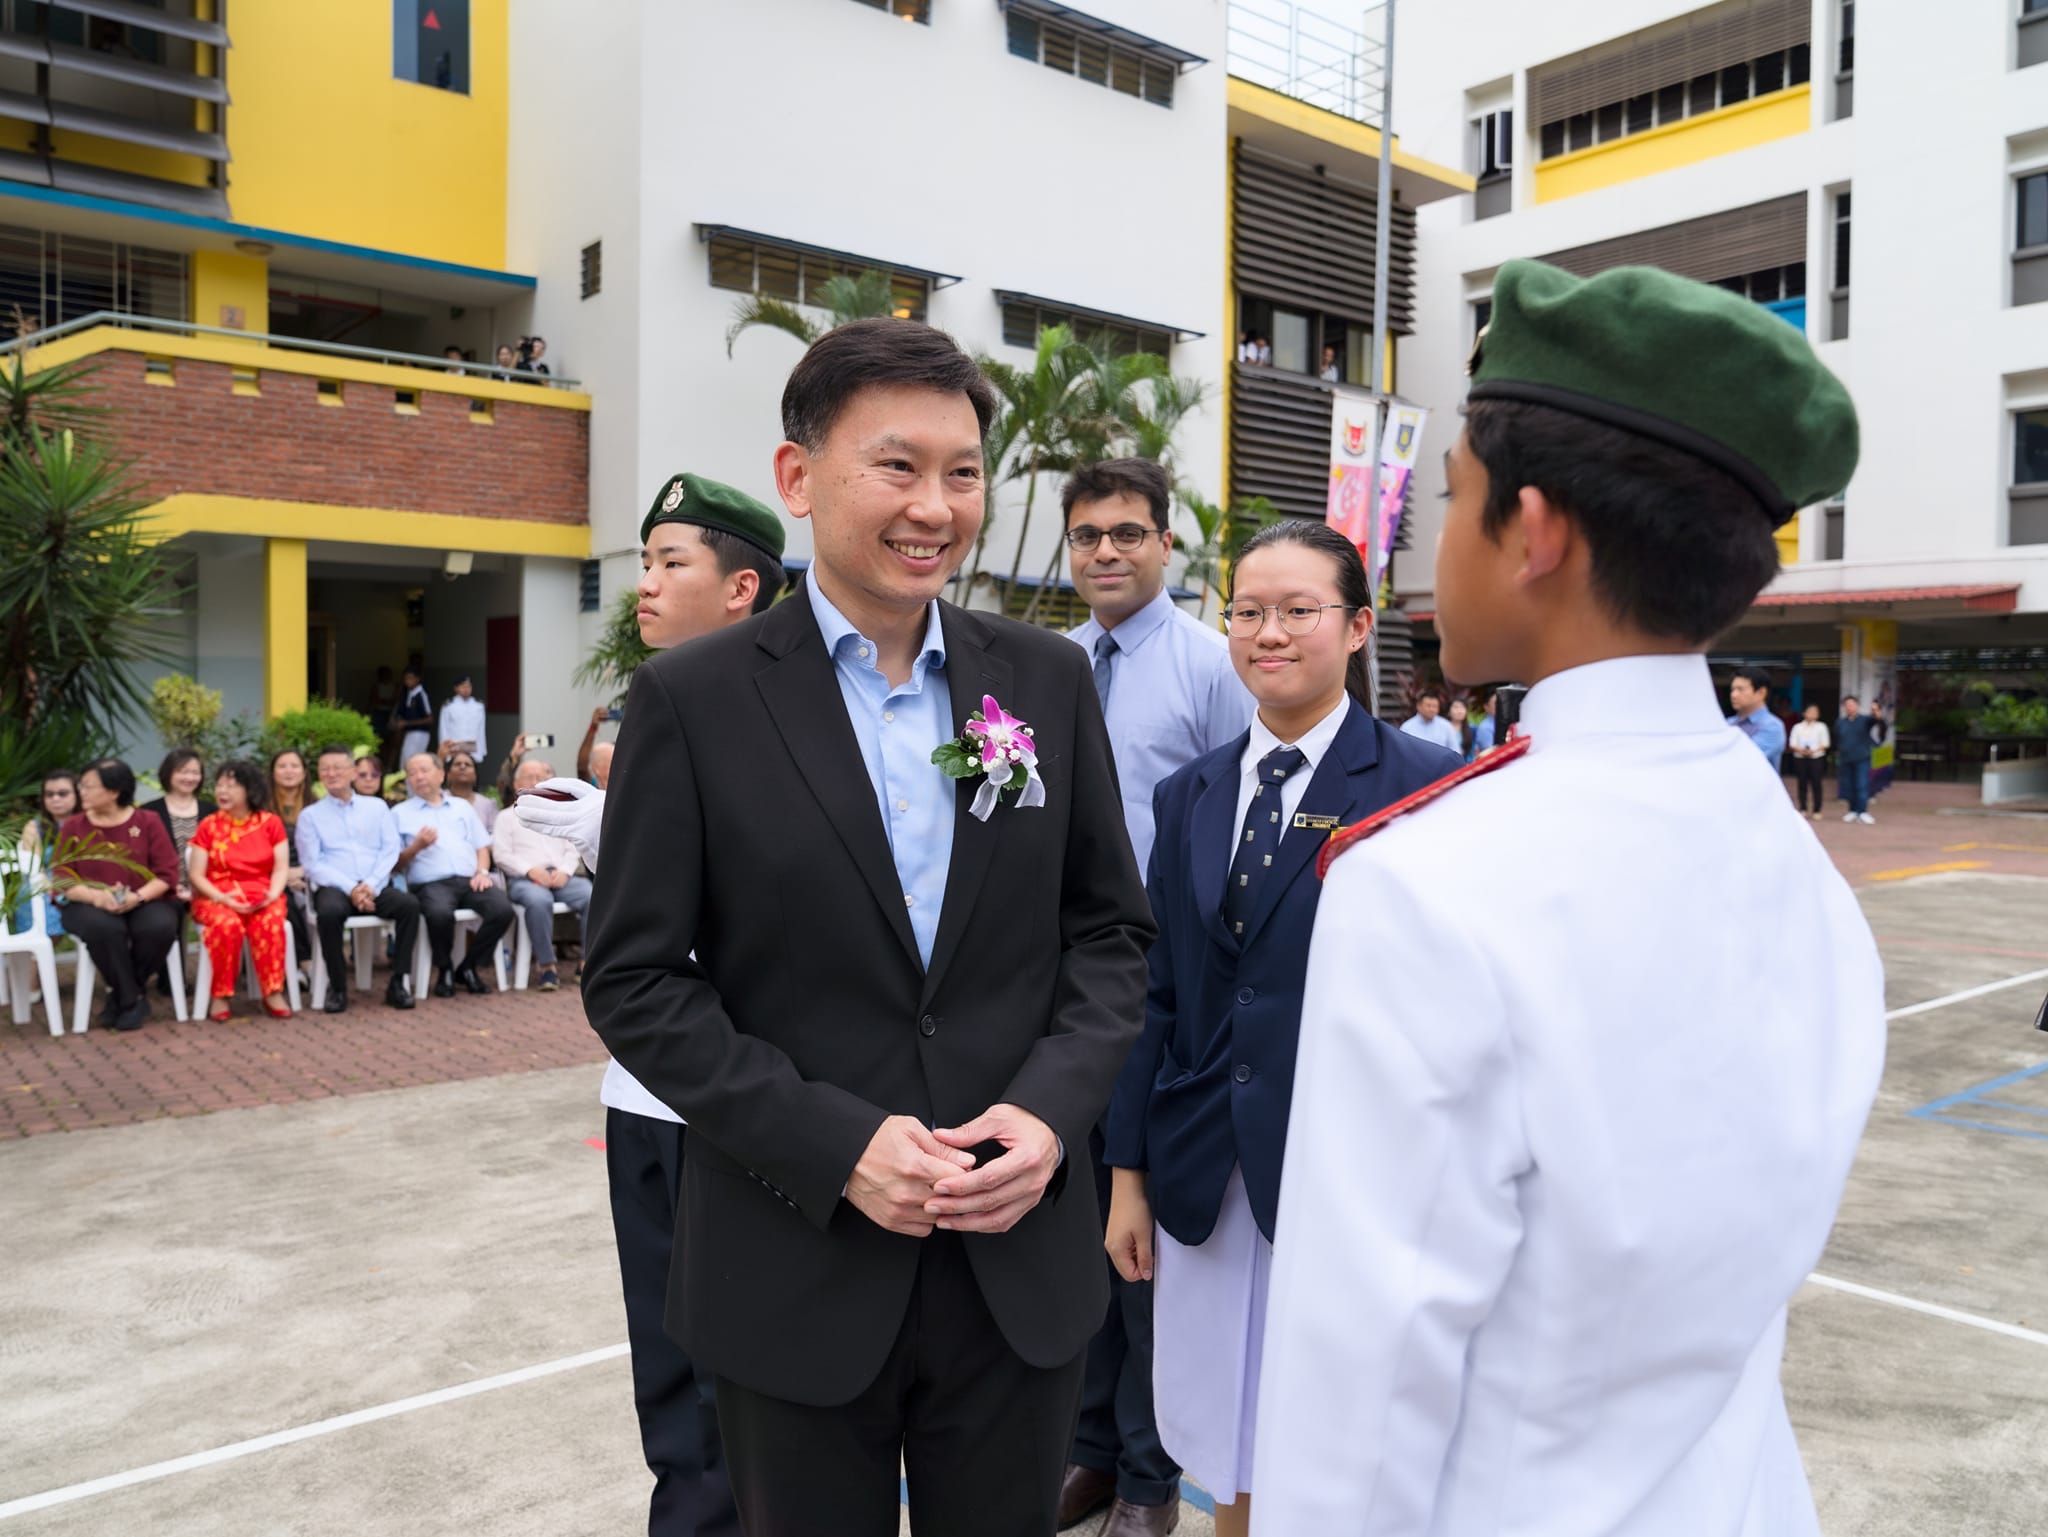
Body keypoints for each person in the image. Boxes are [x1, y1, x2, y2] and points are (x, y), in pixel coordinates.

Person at [1253, 260, 1884, 1535]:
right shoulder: (1790, 859)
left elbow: (1359, 1404)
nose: (1437, 544)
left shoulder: (1425, 887)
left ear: (1533, 531)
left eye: (1453, 500)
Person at [579, 318, 1153, 1537]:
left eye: (961, 472)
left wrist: (1049, 1116)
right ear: (799, 480)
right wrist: (835, 1142)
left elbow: (1108, 936)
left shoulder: (1042, 680)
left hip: (1016, 1260)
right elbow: (635, 979)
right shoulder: (692, 699)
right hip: (794, 1257)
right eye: (896, 466)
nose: (934, 506)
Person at [1103, 522, 1458, 1537]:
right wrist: (1126, 1173)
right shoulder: (1191, 793)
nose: (1268, 632)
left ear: (1354, 627)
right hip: (1205, 1168)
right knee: (1228, 1430)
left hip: (1350, 1174)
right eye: (1248, 611)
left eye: (1297, 610)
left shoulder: (1420, 784)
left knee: (1344, 1427)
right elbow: (1156, 990)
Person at [517, 470, 791, 1537]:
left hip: (741, 1088)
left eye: (672, 562)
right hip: (642, 1087)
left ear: (740, 588)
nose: (646, 585)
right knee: (666, 1354)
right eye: (646, 562)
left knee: (748, 1359)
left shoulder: (780, 718)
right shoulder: (650, 709)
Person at [1059, 456, 1254, 1536]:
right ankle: (1088, 1450)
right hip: (1056, 992)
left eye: (1127, 533)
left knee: (1141, 1250)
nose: (1105, 553)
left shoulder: (1207, 667)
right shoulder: (1049, 667)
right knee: (1070, 1230)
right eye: (1087, 535)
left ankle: (1147, 1476)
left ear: (1164, 545)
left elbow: (1238, 825)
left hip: (1156, 988)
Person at [53, 759, 180, 1031]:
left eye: (88, 787)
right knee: (104, 928)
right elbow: (62, 876)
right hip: (87, 902)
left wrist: (138, 897)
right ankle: (132, 999)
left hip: (142, 898)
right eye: (81, 786)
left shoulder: (147, 821)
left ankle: (121, 997)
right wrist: (95, 897)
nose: (81, 792)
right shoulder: (75, 826)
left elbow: (167, 873)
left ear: (114, 792)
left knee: (161, 926)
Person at [296, 744, 420, 1013]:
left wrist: (371, 886)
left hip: (374, 884)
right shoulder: (310, 815)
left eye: (338, 768)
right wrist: (352, 888)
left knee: (409, 906)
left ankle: (398, 982)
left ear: (352, 771)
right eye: (325, 769)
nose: (331, 774)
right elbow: (312, 864)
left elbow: (389, 851)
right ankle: (338, 987)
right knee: (328, 913)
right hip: (335, 887)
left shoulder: (376, 807)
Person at [392, 751, 513, 997]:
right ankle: (444, 967)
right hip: (430, 884)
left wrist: (482, 871)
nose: (418, 777)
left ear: (440, 775)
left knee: (502, 910)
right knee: (439, 914)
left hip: (470, 879)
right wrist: (416, 847)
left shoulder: (461, 807)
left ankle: (468, 967)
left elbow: (482, 846)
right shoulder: (399, 813)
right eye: (412, 773)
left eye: (424, 770)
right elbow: (394, 864)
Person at [187, 760, 293, 1022]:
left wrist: (272, 894)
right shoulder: (208, 826)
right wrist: (222, 898)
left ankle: (272, 991)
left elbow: (280, 868)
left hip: (262, 893)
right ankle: (221, 994)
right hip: (217, 896)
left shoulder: (270, 823)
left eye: (231, 786)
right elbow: (196, 875)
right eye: (220, 785)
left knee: (269, 922)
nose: (223, 792)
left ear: (250, 790)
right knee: (226, 925)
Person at [495, 758, 590, 993]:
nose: (535, 781)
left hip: (560, 876)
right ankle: (547, 966)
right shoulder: (506, 817)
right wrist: (529, 870)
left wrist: (565, 871)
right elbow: (501, 854)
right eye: (529, 776)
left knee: (592, 895)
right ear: (517, 783)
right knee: (539, 901)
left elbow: (573, 847)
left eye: (541, 776)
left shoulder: (560, 814)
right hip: (524, 879)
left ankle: (587, 962)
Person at [142, 748, 216, 904]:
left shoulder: (212, 812)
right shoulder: (148, 811)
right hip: (162, 892)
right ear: (168, 773)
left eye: (195, 772)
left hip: (207, 890)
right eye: (183, 772)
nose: (189, 778)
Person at [14, 771, 79, 938]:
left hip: (83, 883)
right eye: (49, 794)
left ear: (77, 794)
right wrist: (56, 890)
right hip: (43, 884)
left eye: (62, 794)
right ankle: (39, 960)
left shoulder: (89, 822)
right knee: (40, 902)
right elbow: (34, 868)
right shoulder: (34, 826)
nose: (55, 799)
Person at [1836, 694, 1886, 825]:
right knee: (1849, 786)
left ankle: (1862, 812)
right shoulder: (1840, 722)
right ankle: (1852, 810)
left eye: (1852, 705)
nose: (1850, 707)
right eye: (1847, 705)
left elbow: (1877, 720)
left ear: (1857, 706)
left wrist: (1876, 711)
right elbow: (1837, 739)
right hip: (1846, 759)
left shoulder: (1865, 720)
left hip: (1862, 758)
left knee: (1861, 785)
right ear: (1844, 707)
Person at [1727, 667, 1787, 772]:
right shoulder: (1728, 723)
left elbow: (1742, 760)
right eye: (1732, 689)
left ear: (1761, 693)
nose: (1733, 695)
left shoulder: (1772, 726)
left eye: (1740, 689)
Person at [1789, 703, 1831, 820]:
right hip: (1800, 757)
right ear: (1804, 713)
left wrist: (1813, 750)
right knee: (1802, 783)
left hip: (1816, 757)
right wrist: (1801, 750)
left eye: (1815, 712)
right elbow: (1792, 743)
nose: (1812, 714)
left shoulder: (1821, 727)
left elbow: (1826, 743)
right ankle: (1803, 808)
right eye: (1810, 711)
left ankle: (1817, 809)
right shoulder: (1798, 727)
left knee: (1816, 783)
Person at [443, 747, 497, 835]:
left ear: (475, 776)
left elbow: (493, 837)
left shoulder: (487, 804)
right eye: (457, 764)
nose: (462, 767)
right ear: (448, 775)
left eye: (467, 764)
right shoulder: (439, 799)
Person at [439, 675, 487, 760]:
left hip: (473, 749)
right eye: (463, 686)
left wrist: (482, 749)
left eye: (469, 686)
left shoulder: (478, 705)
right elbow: (443, 729)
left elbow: (481, 730)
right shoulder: (449, 705)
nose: (466, 689)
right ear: (456, 688)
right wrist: (444, 749)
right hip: (454, 747)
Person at [391, 670, 433, 766]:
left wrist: (407, 723)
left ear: (417, 679)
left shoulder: (421, 694)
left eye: (410, 678)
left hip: (419, 734)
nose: (407, 681)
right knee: (405, 760)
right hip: (409, 733)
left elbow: (429, 719)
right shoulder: (408, 693)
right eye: (405, 679)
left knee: (413, 761)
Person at [1398, 689, 1461, 753]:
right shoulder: (1407, 727)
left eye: (1435, 706)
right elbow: (1401, 751)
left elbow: (1455, 751)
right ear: (1418, 706)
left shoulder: (1446, 726)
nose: (1432, 709)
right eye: (1428, 706)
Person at [1447, 697, 1475, 762]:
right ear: (1448, 711)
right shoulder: (1443, 729)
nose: (1459, 711)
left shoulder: (1473, 729)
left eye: (1462, 707)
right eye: (1456, 707)